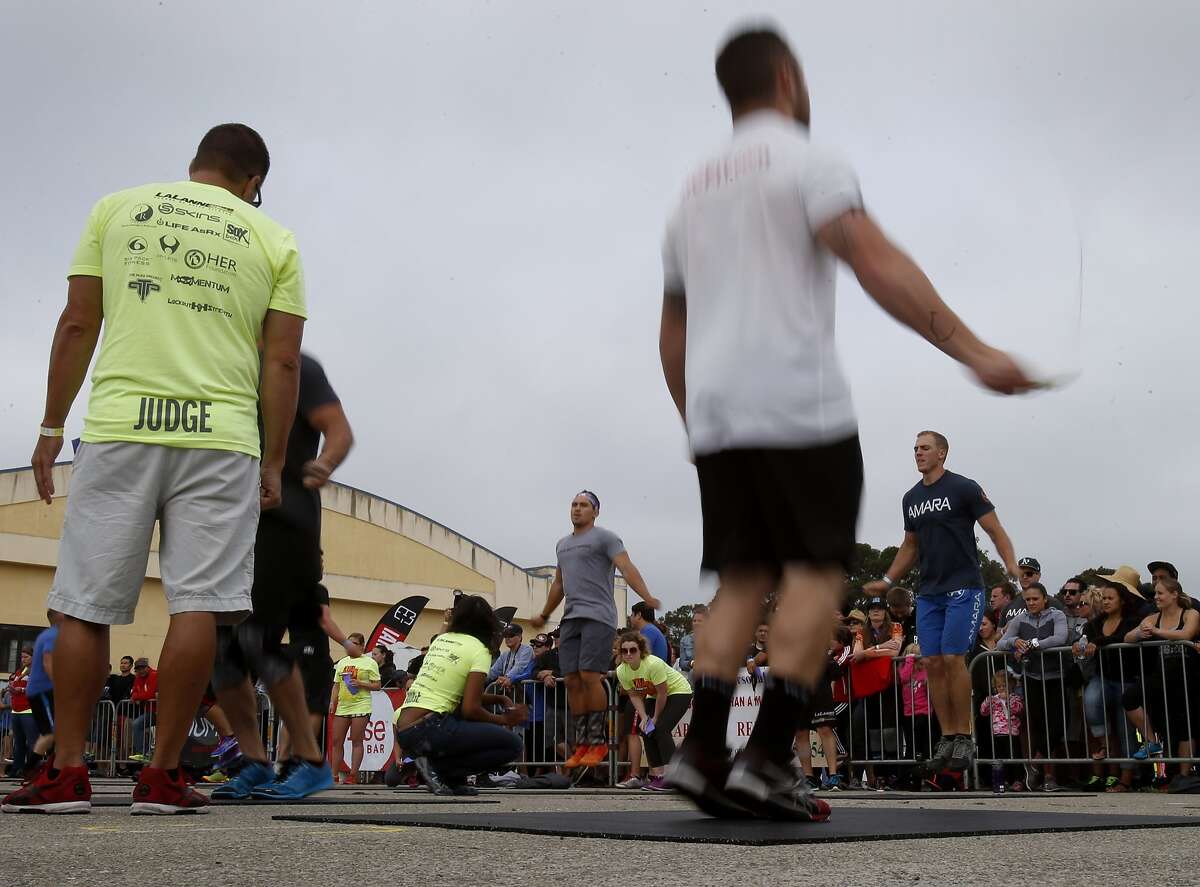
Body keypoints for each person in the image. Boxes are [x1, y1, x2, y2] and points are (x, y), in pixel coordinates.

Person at [658, 25, 1030, 821]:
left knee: (742, 576)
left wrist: (698, 419)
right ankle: (765, 758)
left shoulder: (692, 190)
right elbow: (872, 257)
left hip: (719, 411)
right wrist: (971, 349)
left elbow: (672, 329)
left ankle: (700, 751)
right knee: (814, 572)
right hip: (796, 403)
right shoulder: (805, 159)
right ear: (788, 78)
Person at [6, 123, 307, 815]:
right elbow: (282, 361)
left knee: (84, 600)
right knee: (197, 601)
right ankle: (164, 776)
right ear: (253, 181)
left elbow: (78, 322)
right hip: (222, 436)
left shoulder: (117, 208)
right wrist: (276, 458)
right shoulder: (275, 240)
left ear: (197, 163)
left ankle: (67, 773)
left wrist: (51, 426)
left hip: (121, 427)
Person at [210, 350, 352, 800]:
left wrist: (325, 463)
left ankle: (311, 762)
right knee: (222, 651)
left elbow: (340, 432)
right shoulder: (219, 359)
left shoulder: (297, 366)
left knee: (258, 641)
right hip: (233, 522)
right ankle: (254, 761)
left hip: (286, 521)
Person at [866, 431, 1020, 776]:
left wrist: (1009, 563)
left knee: (953, 658)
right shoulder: (911, 498)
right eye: (915, 448)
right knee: (930, 661)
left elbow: (994, 529)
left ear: (942, 453)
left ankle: (964, 734)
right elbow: (910, 545)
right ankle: (947, 736)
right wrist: (888, 580)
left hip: (964, 586)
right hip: (929, 591)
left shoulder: (964, 487)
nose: (918, 453)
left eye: (925, 448)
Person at [530, 490, 660, 770]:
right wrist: (544, 613)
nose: (577, 509)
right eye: (574, 504)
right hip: (571, 618)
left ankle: (598, 739)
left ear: (595, 511)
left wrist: (646, 596)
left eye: (584, 505)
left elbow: (626, 567)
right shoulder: (562, 545)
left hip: (598, 616)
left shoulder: (606, 538)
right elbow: (559, 584)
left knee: (590, 675)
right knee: (572, 679)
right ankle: (584, 743)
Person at [395, 595, 527, 795]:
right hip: (430, 727)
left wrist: (499, 698)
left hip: (406, 729)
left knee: (463, 724)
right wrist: (504, 719)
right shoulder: (479, 650)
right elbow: (470, 707)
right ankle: (443, 771)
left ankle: (448, 777)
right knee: (512, 745)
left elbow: (454, 690)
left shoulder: (441, 640)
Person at [1122, 577, 1200, 785]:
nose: (1156, 597)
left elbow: (1187, 633)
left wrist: (1157, 632)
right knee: (1130, 697)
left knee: (1185, 725)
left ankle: (1185, 775)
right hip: (1162, 675)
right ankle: (1151, 741)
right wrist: (1140, 632)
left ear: (1174, 594)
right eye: (1155, 593)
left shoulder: (1190, 613)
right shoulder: (1153, 617)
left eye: (1160, 593)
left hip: (1188, 675)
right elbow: (1127, 638)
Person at [996, 583, 1067, 791]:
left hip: (1056, 676)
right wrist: (1016, 641)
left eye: (1035, 599)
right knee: (1035, 726)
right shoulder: (1020, 619)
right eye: (1028, 600)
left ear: (1045, 599)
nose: (1032, 603)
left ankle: (1034, 763)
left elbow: (1060, 638)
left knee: (1056, 726)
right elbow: (1001, 643)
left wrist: (1033, 645)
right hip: (1032, 677)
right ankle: (1044, 776)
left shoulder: (1057, 616)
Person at [1078, 577, 1142, 792]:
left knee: (1125, 730)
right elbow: (1085, 637)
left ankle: (1126, 778)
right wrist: (1078, 645)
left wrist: (1099, 642)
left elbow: (1123, 638)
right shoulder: (1095, 623)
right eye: (1103, 598)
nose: (1105, 602)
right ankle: (1104, 745)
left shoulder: (1132, 620)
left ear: (1122, 600)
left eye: (1110, 598)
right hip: (1102, 677)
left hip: (1126, 680)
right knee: (1091, 699)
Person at [614, 631, 693, 792]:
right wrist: (644, 717)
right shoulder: (622, 670)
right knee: (647, 731)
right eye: (624, 650)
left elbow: (663, 693)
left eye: (633, 650)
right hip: (654, 695)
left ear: (641, 650)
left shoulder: (652, 664)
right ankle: (658, 776)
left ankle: (673, 777)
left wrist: (655, 717)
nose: (628, 654)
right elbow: (634, 695)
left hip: (678, 691)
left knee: (661, 729)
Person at [328, 633, 381, 785]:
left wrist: (361, 684)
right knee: (337, 741)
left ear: (362, 646)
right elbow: (336, 685)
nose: (349, 646)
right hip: (343, 706)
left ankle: (353, 775)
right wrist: (333, 701)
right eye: (347, 643)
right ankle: (334, 775)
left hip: (361, 704)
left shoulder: (370, 662)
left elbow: (377, 685)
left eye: (354, 643)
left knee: (356, 740)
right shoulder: (342, 662)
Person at [23, 611, 65, 775]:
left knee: (57, 733)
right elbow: (48, 661)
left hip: (42, 690)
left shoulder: (50, 634)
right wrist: (58, 684)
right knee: (50, 733)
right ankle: (30, 770)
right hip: (42, 690)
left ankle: (52, 770)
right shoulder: (52, 635)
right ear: (58, 617)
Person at [979, 671, 1024, 792]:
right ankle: (1004, 780)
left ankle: (1017, 780)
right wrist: (988, 702)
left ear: (1011, 685)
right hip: (997, 732)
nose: (1002, 689)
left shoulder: (1015, 697)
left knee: (1014, 756)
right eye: (999, 686)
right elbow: (983, 712)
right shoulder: (993, 699)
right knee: (1000, 758)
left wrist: (1008, 700)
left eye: (1004, 685)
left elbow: (1018, 709)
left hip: (1011, 732)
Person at [6, 647, 38, 777]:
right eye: (22, 657)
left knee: (32, 742)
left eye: (26, 657)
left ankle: (31, 769)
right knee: (18, 743)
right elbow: (15, 685)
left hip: (28, 710)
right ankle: (16, 769)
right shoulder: (20, 671)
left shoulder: (36, 671)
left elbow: (36, 686)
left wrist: (22, 690)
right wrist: (11, 689)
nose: (23, 659)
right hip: (16, 710)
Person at [678, 605, 707, 685]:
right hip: (691, 673)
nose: (696, 623)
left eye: (699, 621)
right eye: (694, 621)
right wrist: (692, 663)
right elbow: (682, 663)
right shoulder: (684, 640)